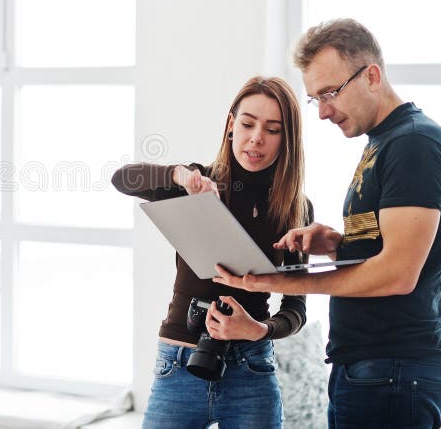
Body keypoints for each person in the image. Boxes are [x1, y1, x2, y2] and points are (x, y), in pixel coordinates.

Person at [213, 19, 441, 429]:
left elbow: (398, 273)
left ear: (372, 75)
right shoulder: (384, 144)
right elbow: (385, 248)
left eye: (330, 93)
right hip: (370, 368)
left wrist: (275, 282)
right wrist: (334, 243)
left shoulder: (414, 145)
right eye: (316, 99)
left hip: (393, 369)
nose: (324, 111)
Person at [112, 76, 312, 429]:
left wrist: (259, 330)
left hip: (252, 368)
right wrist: (178, 174)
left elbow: (296, 308)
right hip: (178, 362)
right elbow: (121, 178)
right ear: (231, 126)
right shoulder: (198, 184)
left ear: (288, 139)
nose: (256, 138)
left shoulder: (296, 209)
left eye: (272, 129)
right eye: (248, 124)